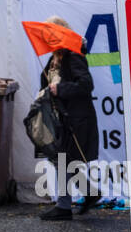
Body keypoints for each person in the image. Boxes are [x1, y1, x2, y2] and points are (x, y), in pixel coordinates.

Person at [38, 16, 100, 221]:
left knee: (64, 159)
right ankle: (88, 193)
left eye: (52, 33)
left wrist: (59, 88)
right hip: (62, 119)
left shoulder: (73, 55)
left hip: (75, 119)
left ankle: (64, 206)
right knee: (62, 159)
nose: (48, 37)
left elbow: (86, 84)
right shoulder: (56, 57)